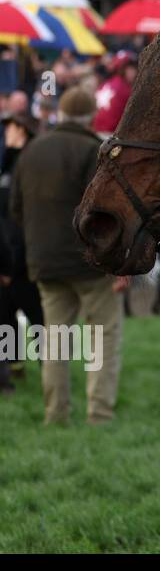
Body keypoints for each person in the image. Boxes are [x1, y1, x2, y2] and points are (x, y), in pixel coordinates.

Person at [10, 87, 126, 424]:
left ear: (60, 113)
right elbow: (108, 212)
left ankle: (55, 414)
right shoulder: (94, 151)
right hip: (89, 262)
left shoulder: (31, 150)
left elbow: (16, 209)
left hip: (44, 262)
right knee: (102, 335)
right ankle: (100, 414)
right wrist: (118, 260)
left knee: (56, 341)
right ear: (91, 117)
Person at [0, 112, 43, 394]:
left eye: (10, 127)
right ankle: (11, 371)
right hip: (7, 255)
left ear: (22, 130)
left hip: (27, 256)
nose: (6, 132)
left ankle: (53, 372)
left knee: (39, 318)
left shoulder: (31, 164)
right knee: (5, 321)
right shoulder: (7, 163)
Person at [93, 50, 136, 135]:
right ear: (122, 69)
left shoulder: (104, 84)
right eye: (131, 68)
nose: (134, 71)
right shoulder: (125, 89)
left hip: (96, 133)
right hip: (112, 138)